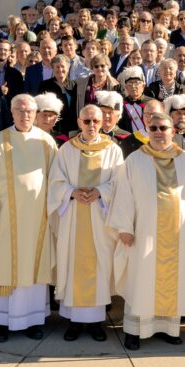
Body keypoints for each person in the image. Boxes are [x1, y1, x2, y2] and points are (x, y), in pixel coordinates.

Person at [107, 108, 185, 349]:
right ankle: (134, 330)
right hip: (143, 232)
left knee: (173, 279)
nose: (159, 133)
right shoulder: (135, 160)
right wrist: (124, 228)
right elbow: (123, 196)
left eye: (164, 128)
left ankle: (168, 328)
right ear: (146, 131)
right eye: (154, 128)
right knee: (141, 279)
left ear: (173, 131)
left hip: (178, 233)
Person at [0, 94, 59, 341]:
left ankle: (32, 320)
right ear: (11, 113)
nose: (25, 115)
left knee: (32, 271)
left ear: (37, 113)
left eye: (29, 111)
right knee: (3, 269)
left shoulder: (46, 143)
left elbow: (56, 180)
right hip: (3, 222)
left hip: (36, 221)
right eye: (19, 110)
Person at [47, 104, 124, 341]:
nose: (92, 126)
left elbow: (120, 182)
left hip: (100, 219)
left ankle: (94, 323)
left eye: (96, 121)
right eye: (87, 121)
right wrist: (71, 192)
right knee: (72, 264)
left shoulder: (112, 149)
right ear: (79, 122)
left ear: (103, 123)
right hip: (72, 216)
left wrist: (100, 192)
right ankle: (73, 321)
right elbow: (55, 181)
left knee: (99, 266)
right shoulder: (67, 150)